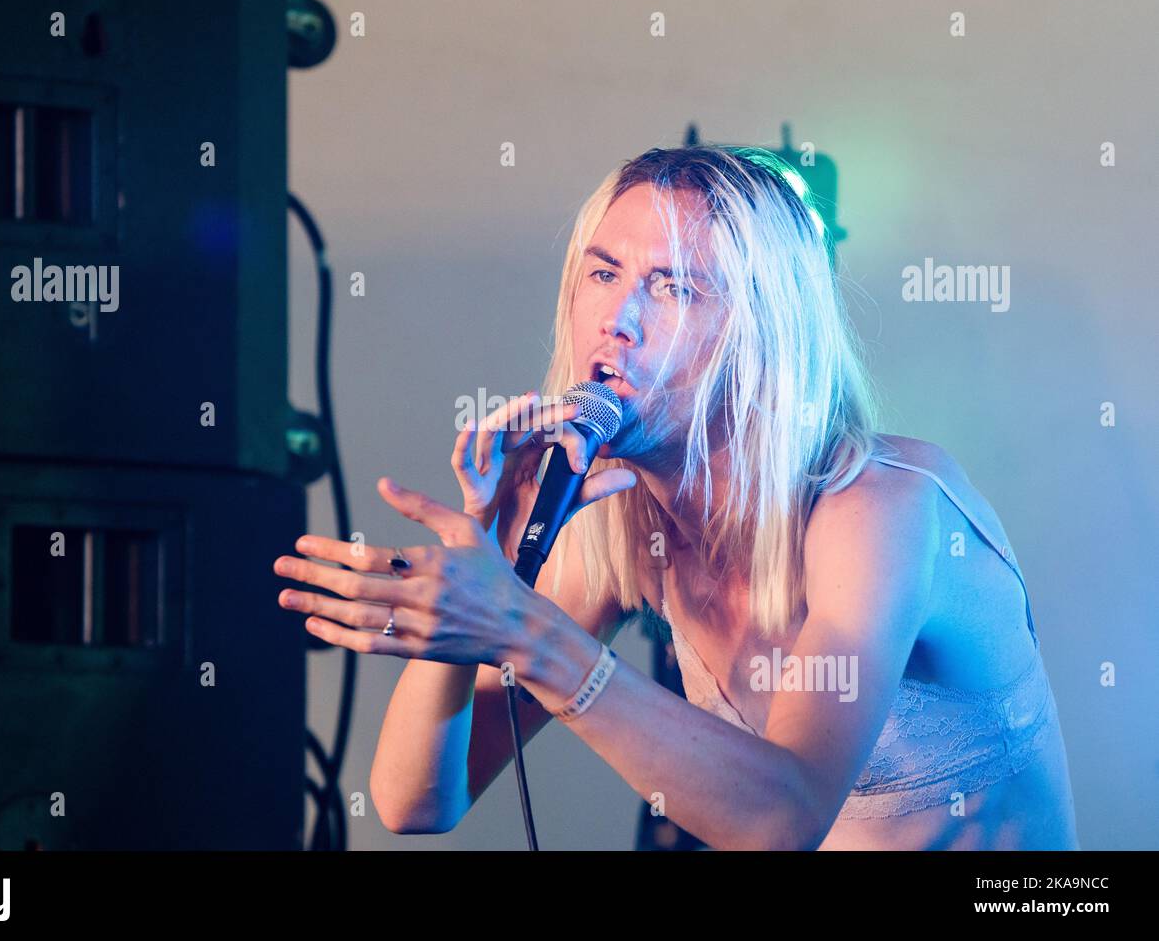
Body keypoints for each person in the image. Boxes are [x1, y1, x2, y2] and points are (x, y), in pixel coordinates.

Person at [272, 145, 1079, 849]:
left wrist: (525, 631)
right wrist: (473, 580)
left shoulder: (880, 509)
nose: (616, 318)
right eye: (603, 271)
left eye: (673, 286)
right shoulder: (622, 519)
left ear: (762, 331)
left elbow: (781, 816)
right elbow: (414, 804)